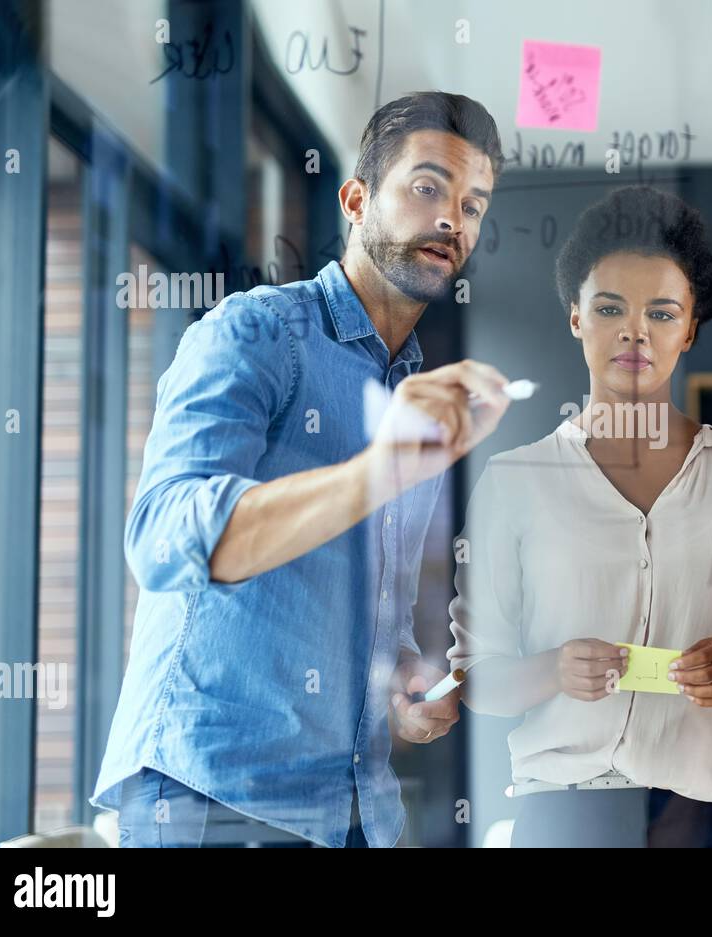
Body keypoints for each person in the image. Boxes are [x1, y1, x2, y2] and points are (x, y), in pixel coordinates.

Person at [93, 91, 513, 847]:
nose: (453, 219)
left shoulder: (414, 394)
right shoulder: (255, 331)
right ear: (356, 200)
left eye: (473, 203)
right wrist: (377, 470)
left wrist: (405, 687)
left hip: (356, 816)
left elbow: (369, 616)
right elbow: (161, 539)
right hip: (211, 797)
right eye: (427, 188)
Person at [447, 186, 712, 847]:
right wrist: (553, 669)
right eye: (610, 307)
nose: (635, 331)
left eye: (663, 312)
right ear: (575, 319)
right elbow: (476, 674)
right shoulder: (512, 484)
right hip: (566, 816)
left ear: (692, 327)